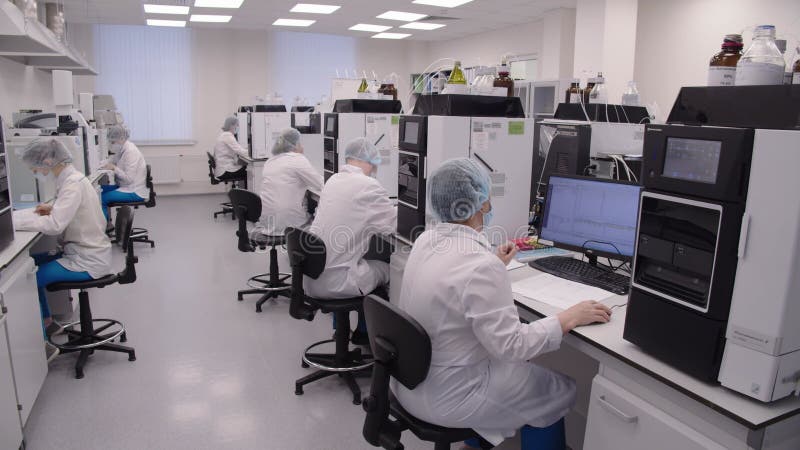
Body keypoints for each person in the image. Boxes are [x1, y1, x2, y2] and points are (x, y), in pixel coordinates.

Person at [391, 158, 612, 450]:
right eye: (488, 198)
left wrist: (493, 264)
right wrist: (569, 317)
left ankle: (474, 443)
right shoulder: (478, 265)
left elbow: (452, 284)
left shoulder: (427, 240)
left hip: (409, 382)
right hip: (450, 396)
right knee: (556, 393)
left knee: (504, 370)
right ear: (480, 204)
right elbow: (512, 347)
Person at [12, 139, 113, 357]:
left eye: (35, 166)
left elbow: (55, 225)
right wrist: (53, 207)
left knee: (27, 280)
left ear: (48, 160)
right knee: (33, 263)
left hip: (87, 259)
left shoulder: (72, 183)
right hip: (86, 250)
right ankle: (49, 323)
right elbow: (67, 212)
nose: (34, 170)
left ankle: (44, 344)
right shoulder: (70, 179)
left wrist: (14, 224)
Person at [306, 137, 395, 344]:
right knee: (389, 269)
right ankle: (373, 338)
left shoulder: (333, 180)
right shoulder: (369, 186)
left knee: (358, 256)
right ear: (371, 161)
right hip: (337, 282)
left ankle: (342, 330)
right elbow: (392, 226)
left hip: (312, 275)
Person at [251, 128, 323, 238]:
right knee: (316, 215)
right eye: (300, 143)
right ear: (296, 144)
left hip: (266, 221)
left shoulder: (270, 161)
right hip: (287, 221)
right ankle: (305, 249)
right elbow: (319, 184)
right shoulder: (298, 159)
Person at [100, 125, 149, 222]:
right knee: (99, 191)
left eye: (113, 142)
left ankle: (102, 230)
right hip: (125, 186)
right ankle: (105, 224)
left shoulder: (131, 152)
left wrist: (114, 168)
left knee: (102, 198)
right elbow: (112, 160)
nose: (112, 144)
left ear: (122, 138)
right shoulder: (123, 149)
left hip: (134, 191)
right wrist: (100, 165)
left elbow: (129, 178)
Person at [213, 116, 248, 183]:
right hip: (225, 170)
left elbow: (238, 149)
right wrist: (253, 152)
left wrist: (245, 150)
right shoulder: (227, 136)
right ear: (231, 125)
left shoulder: (224, 134)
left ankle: (242, 192)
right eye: (237, 125)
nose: (238, 127)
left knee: (246, 168)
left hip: (222, 168)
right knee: (250, 172)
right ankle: (245, 193)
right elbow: (240, 151)